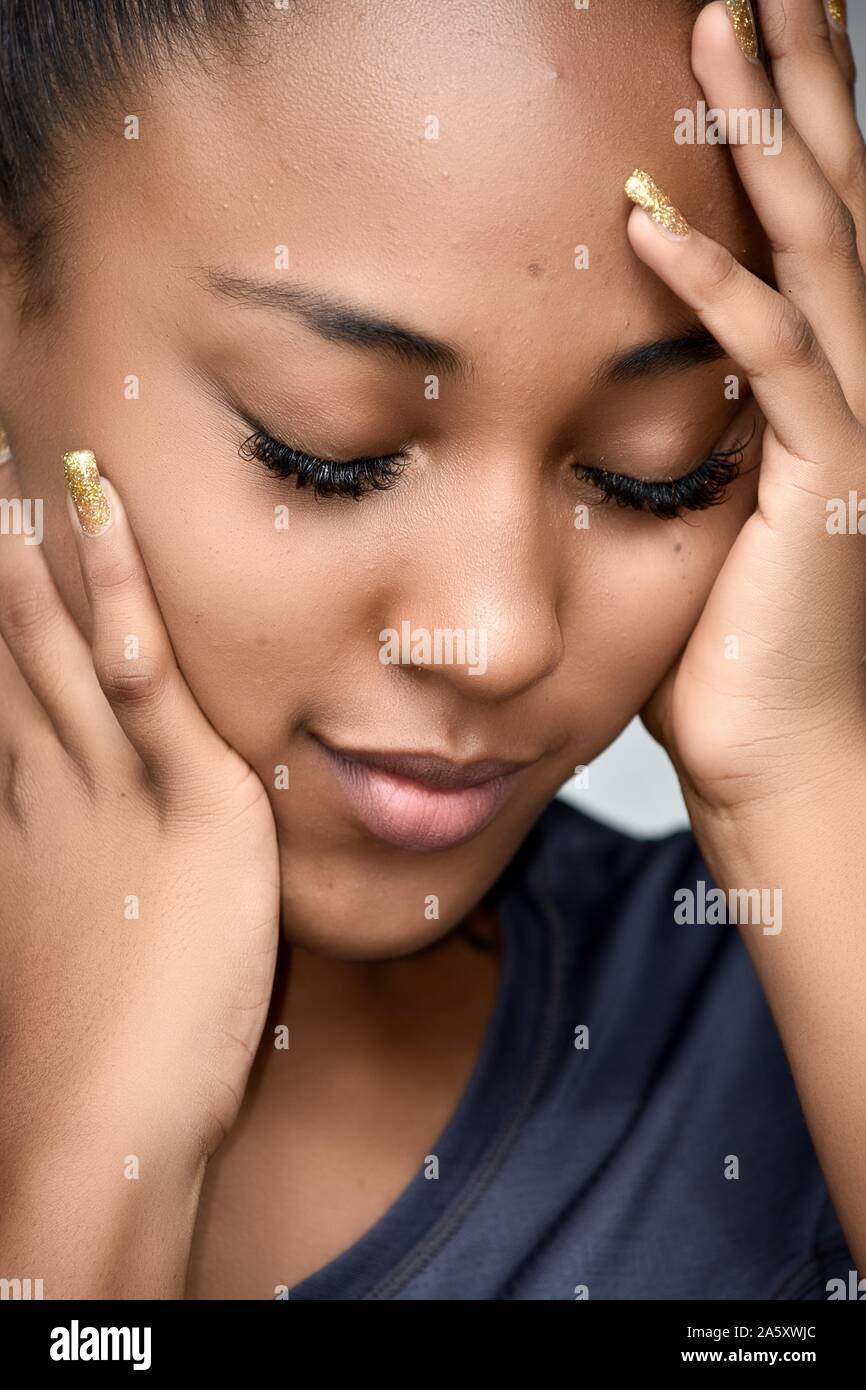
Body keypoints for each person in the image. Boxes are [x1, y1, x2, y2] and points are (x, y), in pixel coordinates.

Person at [0, 0, 864, 1300]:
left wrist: (804, 768)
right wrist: (82, 1181)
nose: (499, 637)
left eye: (658, 470)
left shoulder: (780, 1047)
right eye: (326, 450)